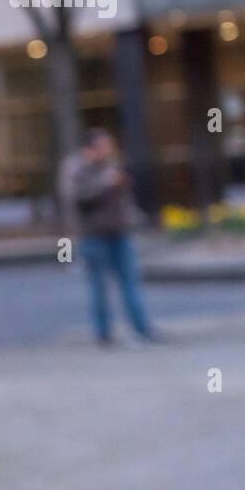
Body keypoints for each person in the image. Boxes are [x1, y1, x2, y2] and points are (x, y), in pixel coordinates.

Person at [71, 128, 158, 346]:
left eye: (109, 146)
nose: (107, 151)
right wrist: (103, 182)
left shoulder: (114, 168)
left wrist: (133, 218)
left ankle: (142, 328)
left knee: (130, 282)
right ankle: (103, 334)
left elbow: (124, 201)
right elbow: (78, 199)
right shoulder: (79, 170)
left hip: (120, 234)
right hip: (94, 237)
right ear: (89, 150)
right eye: (102, 147)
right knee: (98, 288)